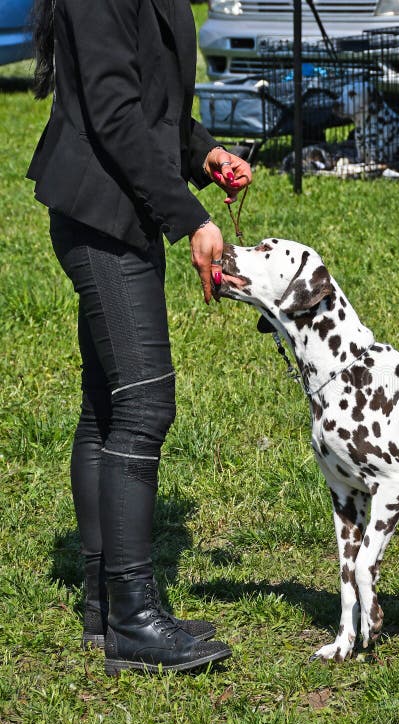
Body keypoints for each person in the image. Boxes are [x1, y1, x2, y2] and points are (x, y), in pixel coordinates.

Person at [28, 0, 252, 674]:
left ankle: (106, 605)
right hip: (101, 217)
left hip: (120, 209)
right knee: (145, 406)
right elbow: (114, 113)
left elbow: (152, 102)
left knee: (107, 404)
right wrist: (189, 218)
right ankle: (132, 619)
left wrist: (201, 150)